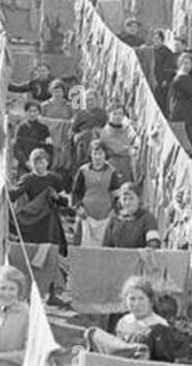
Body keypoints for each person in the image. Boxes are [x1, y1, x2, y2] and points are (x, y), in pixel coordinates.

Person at [10, 148, 69, 299]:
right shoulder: (28, 179)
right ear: (31, 163)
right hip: (33, 224)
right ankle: (30, 292)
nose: (39, 165)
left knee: (51, 255)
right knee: (33, 255)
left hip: (51, 223)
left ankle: (52, 294)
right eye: (35, 162)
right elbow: (14, 194)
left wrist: (56, 197)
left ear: (47, 162)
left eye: (41, 161)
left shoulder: (55, 179)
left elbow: (66, 202)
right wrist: (3, 188)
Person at [71, 139, 122, 247]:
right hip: (86, 215)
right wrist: (79, 208)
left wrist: (114, 211)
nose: (97, 157)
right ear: (91, 154)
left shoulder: (112, 172)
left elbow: (117, 196)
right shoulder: (83, 171)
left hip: (105, 216)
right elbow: (76, 193)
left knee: (104, 246)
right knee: (82, 245)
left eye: (100, 154)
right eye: (95, 153)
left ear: (105, 155)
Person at [168, 50, 192, 153]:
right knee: (188, 135)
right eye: (184, 63)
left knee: (188, 135)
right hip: (183, 111)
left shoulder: (183, 76)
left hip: (183, 109)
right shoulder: (182, 78)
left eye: (190, 63)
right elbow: (191, 93)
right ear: (180, 63)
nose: (187, 66)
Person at [103, 182, 161, 249]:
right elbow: (106, 247)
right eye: (124, 199)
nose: (127, 202)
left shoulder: (147, 218)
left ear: (139, 199)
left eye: (131, 198)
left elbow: (153, 242)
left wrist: (148, 250)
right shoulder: (114, 221)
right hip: (118, 258)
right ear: (120, 201)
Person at [98, 101, 137, 183]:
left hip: (127, 163)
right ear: (109, 115)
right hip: (113, 162)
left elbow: (134, 138)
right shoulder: (105, 132)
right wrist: (130, 150)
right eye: (115, 114)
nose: (118, 116)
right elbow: (117, 148)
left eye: (120, 113)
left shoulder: (126, 128)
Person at [11, 99, 53, 173]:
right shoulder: (21, 127)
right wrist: (26, 162)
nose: (32, 114)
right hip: (24, 164)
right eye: (30, 111)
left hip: (40, 166)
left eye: (35, 111)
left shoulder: (44, 128)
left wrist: (44, 163)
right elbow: (17, 148)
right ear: (26, 112)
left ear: (39, 113)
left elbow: (49, 148)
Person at [150, 28, 177, 116]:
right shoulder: (151, 51)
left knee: (162, 100)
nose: (155, 41)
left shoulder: (167, 52)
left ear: (162, 40)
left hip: (163, 80)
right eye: (154, 38)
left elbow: (169, 66)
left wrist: (166, 79)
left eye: (157, 38)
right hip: (153, 78)